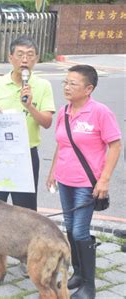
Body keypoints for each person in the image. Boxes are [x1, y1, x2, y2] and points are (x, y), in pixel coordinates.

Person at [0, 35, 56, 273]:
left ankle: (26, 256)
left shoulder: (43, 86)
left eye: (30, 55)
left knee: (26, 209)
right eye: (20, 55)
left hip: (26, 154)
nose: (25, 60)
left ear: (37, 59)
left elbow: (48, 122)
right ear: (10, 58)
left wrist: (30, 105)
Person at [46, 65, 121, 299]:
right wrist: (52, 172)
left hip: (86, 183)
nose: (67, 87)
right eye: (65, 83)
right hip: (65, 179)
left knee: (79, 231)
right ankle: (77, 272)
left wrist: (104, 180)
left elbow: (115, 146)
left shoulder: (100, 112)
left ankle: (89, 285)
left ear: (89, 88)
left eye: (73, 84)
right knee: (70, 227)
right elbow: (62, 143)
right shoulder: (64, 112)